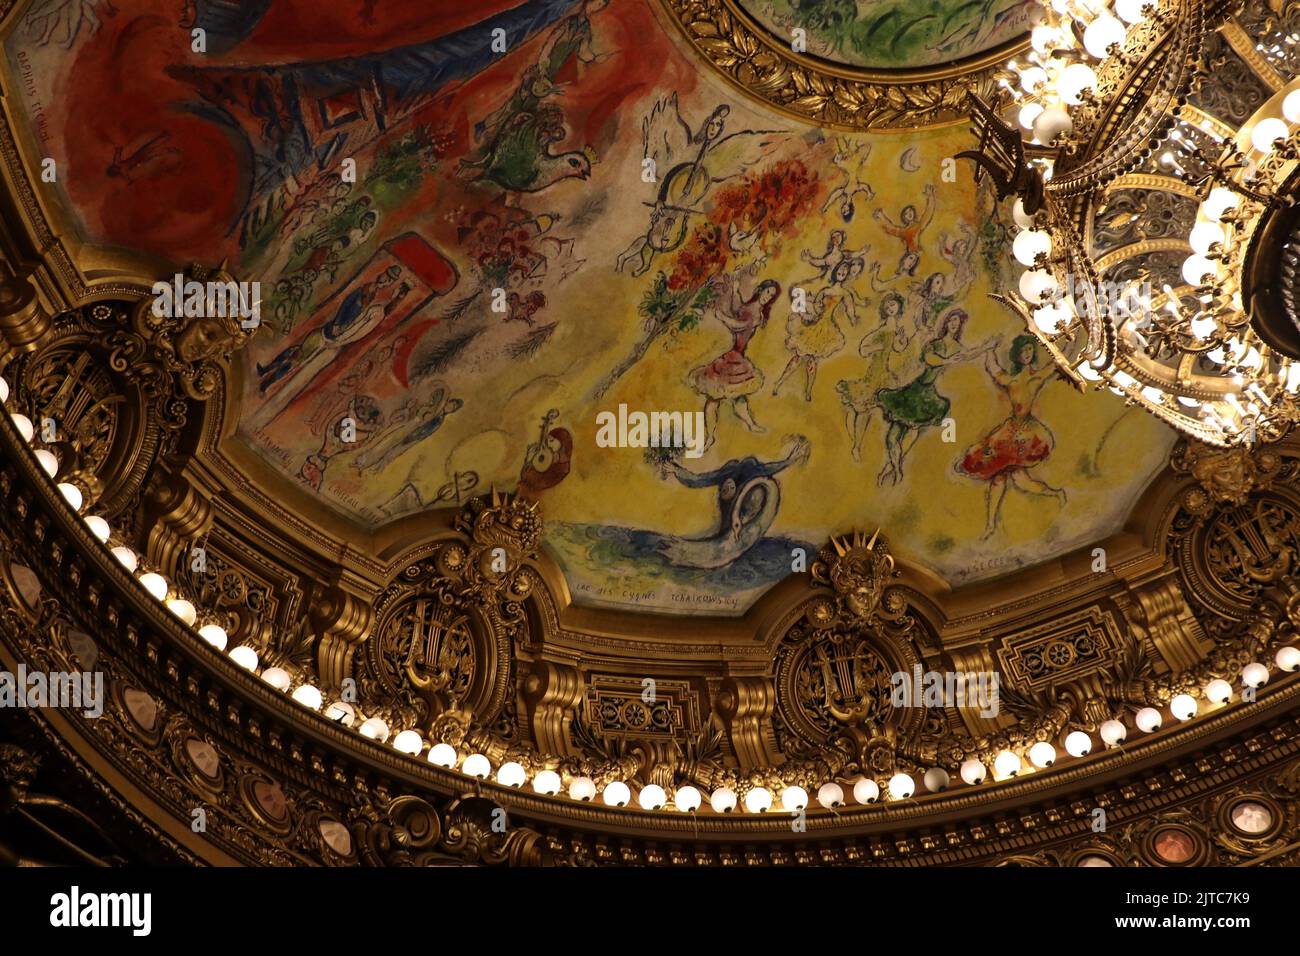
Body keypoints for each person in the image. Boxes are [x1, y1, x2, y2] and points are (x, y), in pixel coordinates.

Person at [957, 334, 1066, 537]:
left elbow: (1059, 361)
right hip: (1010, 431)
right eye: (1023, 350)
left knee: (1013, 479)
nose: (1027, 354)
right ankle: (991, 525)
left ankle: (1054, 494)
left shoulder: (1037, 376)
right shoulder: (1011, 379)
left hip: (1027, 434)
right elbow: (994, 369)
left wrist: (1072, 341)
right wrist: (989, 348)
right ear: (1017, 354)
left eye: (1030, 350)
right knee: (1007, 479)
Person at [875, 308, 995, 486]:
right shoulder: (935, 343)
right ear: (946, 323)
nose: (954, 324)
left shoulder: (956, 348)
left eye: (958, 322)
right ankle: (896, 469)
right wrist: (948, 361)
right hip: (914, 390)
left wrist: (986, 347)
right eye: (951, 320)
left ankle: (892, 469)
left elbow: (968, 354)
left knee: (909, 435)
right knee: (892, 438)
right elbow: (930, 359)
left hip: (928, 396)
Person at [687, 264, 779, 451]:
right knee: (716, 398)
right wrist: (736, 289)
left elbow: (738, 324)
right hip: (732, 356)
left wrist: (721, 317)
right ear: (760, 290)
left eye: (771, 295)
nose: (768, 296)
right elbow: (738, 307)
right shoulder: (752, 307)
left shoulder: (757, 314)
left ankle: (748, 424)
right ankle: (712, 436)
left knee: (734, 396)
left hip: (736, 357)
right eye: (767, 291)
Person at [836, 292, 908, 462]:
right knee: (864, 411)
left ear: (899, 308)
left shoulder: (894, 329)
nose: (890, 308)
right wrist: (877, 348)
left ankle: (883, 449)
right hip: (873, 374)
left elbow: (897, 348)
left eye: (893, 305)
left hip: (885, 375)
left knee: (887, 412)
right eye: (888, 305)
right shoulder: (882, 330)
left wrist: (902, 340)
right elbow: (863, 349)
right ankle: (856, 446)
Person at [874, 184, 936, 276]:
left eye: (911, 211)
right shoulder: (905, 232)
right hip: (913, 252)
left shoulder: (917, 226)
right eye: (907, 213)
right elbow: (892, 229)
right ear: (904, 218)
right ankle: (903, 269)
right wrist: (881, 216)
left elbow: (928, 213)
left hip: (914, 253)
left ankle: (904, 269)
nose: (909, 213)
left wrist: (931, 197)